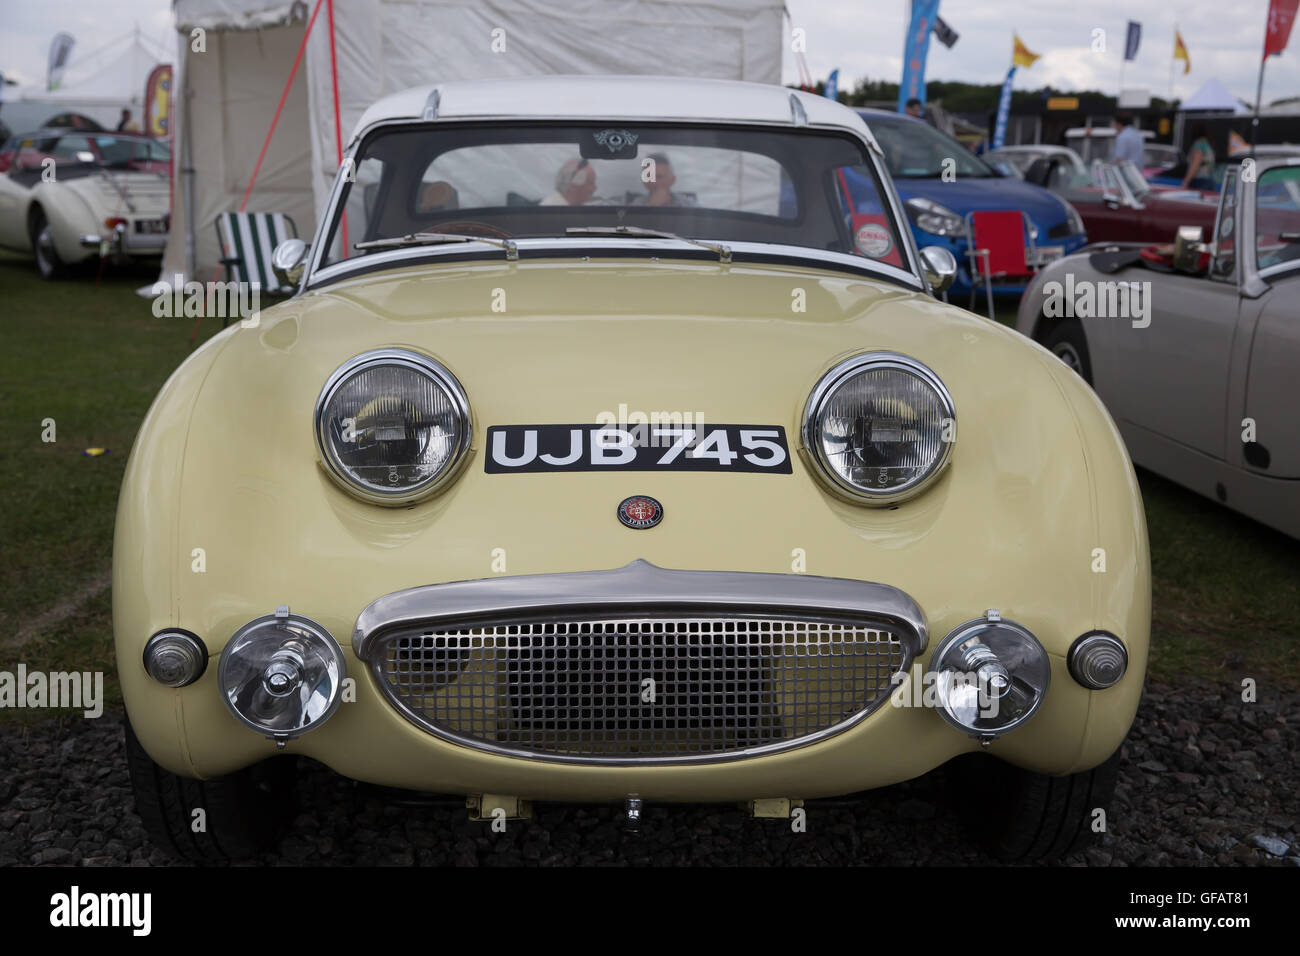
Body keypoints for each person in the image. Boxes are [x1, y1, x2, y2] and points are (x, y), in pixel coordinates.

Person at [1180, 123, 1216, 190]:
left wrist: (1186, 182)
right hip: (1209, 181)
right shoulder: (1207, 145)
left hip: (1199, 181)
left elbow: (1195, 164)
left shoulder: (1198, 144)